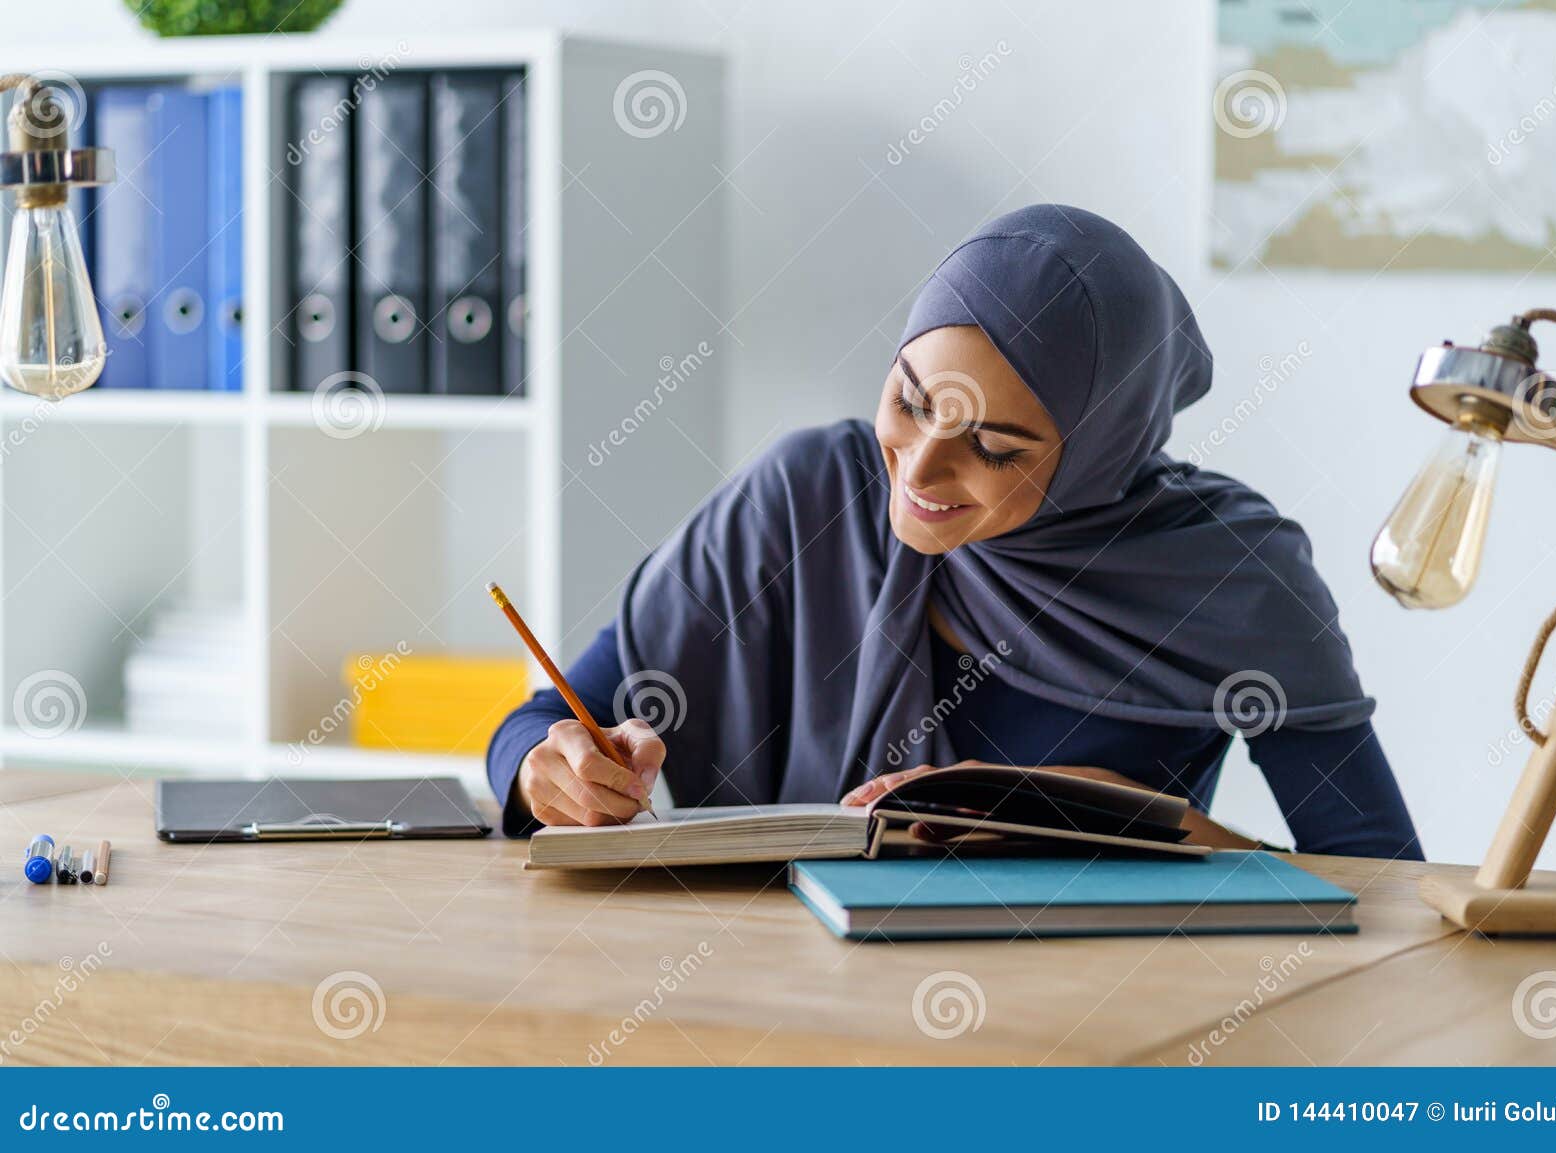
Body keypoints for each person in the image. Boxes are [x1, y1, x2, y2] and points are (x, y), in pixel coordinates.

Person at [487, 204, 1423, 860]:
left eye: (994, 446)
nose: (921, 466)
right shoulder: (805, 499)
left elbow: (1383, 876)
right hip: (784, 1015)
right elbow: (548, 719)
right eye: (911, 398)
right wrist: (546, 769)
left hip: (1104, 1044)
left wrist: (1135, 821)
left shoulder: (1229, 576)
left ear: (1098, 450)